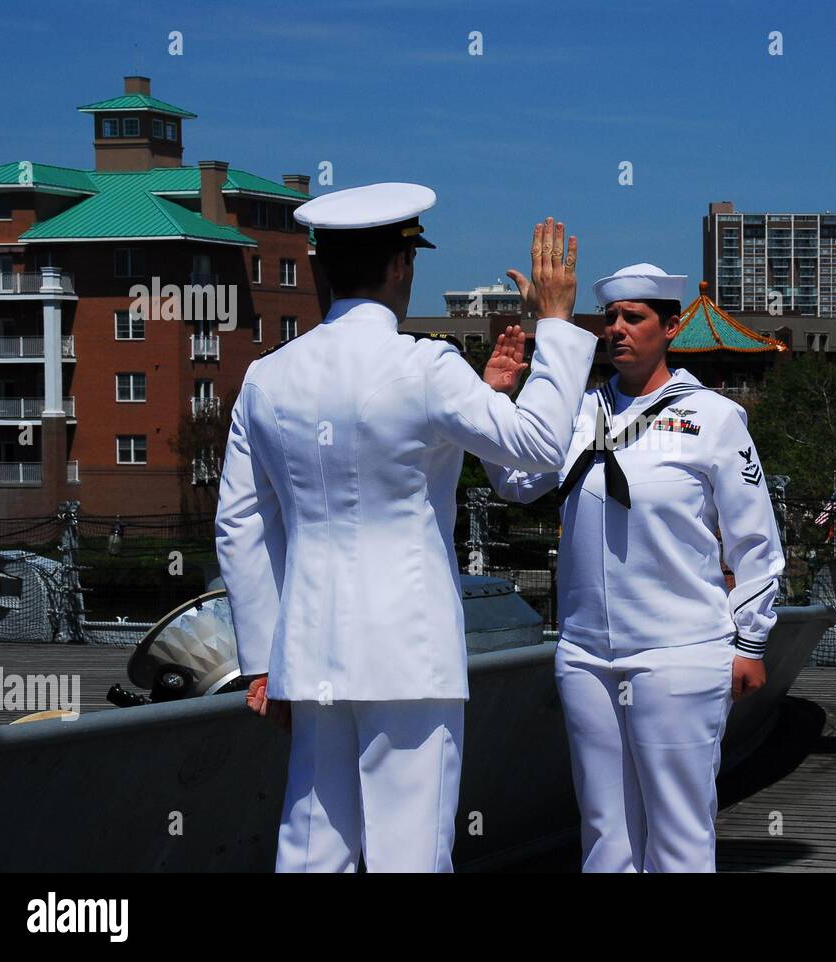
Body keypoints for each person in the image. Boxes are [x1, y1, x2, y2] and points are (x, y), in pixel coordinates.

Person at [214, 182, 598, 872]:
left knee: (311, 849)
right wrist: (559, 326)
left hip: (309, 652)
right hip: (408, 655)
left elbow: (240, 522)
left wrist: (264, 660)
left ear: (321, 268)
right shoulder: (425, 366)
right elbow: (540, 445)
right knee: (410, 853)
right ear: (401, 266)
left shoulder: (266, 379)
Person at [482, 263, 785, 872]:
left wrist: (751, 640)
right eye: (611, 319)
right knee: (604, 835)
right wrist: (497, 402)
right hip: (587, 652)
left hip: (679, 652)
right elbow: (516, 484)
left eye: (634, 318)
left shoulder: (713, 419)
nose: (617, 330)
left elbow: (756, 542)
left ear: (671, 326)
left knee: (677, 834)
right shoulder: (573, 413)